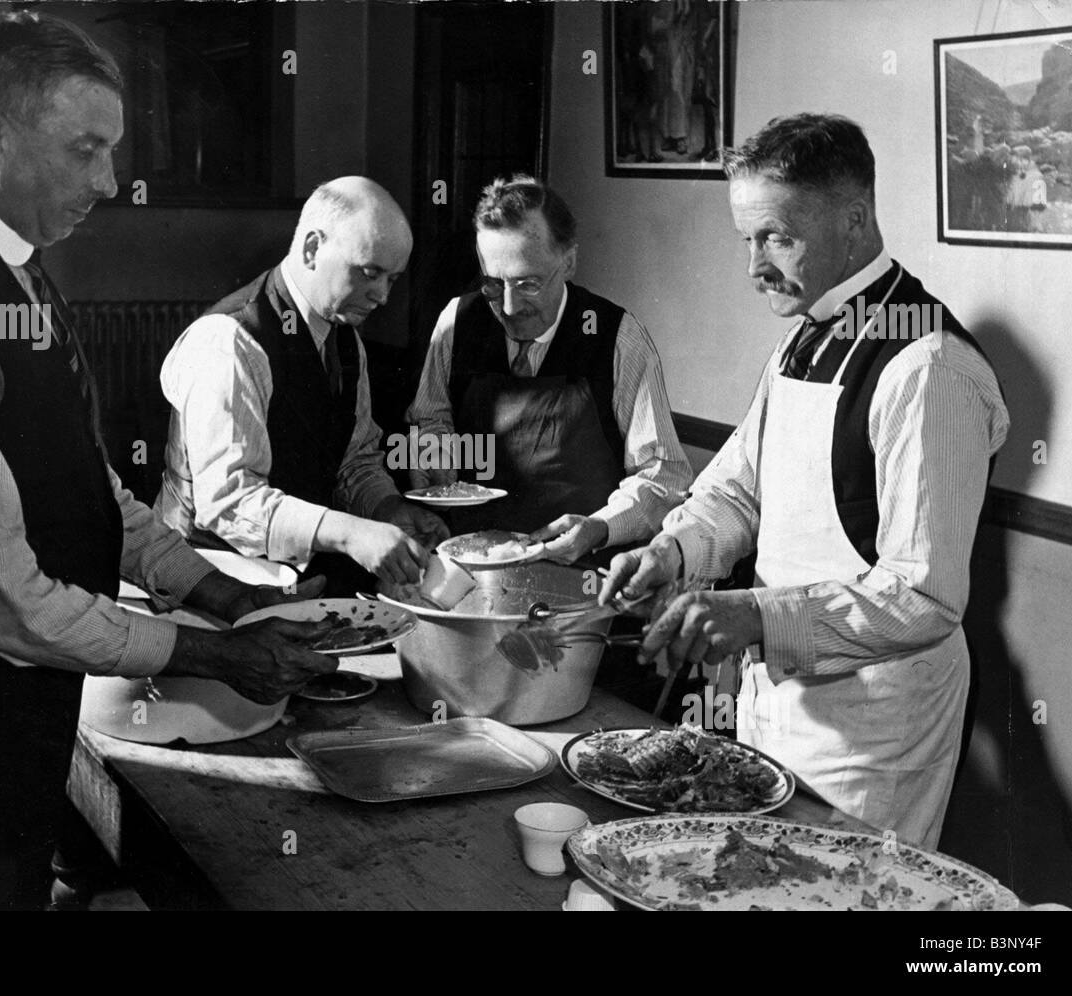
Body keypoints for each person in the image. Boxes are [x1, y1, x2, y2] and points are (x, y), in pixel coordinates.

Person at [0, 11, 337, 910]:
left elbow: (86, 484)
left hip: (23, 680)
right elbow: (4, 602)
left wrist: (222, 593)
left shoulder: (19, 265)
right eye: (85, 149)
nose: (110, 180)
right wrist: (214, 655)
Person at [601, 114, 1009, 849]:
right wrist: (670, 552)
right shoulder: (805, 333)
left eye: (777, 238)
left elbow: (925, 596)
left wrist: (756, 615)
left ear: (854, 221)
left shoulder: (927, 368)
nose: (753, 265)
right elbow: (738, 489)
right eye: (746, 239)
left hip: (874, 731)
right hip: (776, 707)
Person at [154, 178, 449, 595]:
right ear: (312, 249)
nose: (382, 296)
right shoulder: (229, 341)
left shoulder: (344, 337)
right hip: (202, 583)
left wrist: (388, 509)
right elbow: (229, 502)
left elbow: (354, 458)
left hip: (287, 581)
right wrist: (351, 534)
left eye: (393, 280)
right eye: (369, 273)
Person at [406, 175, 691, 567]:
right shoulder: (457, 321)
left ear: (569, 262)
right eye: (493, 284)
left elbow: (665, 476)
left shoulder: (617, 336)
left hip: (582, 569)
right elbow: (429, 420)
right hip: (473, 566)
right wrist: (434, 463)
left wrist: (600, 526)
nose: (508, 307)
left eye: (528, 284)